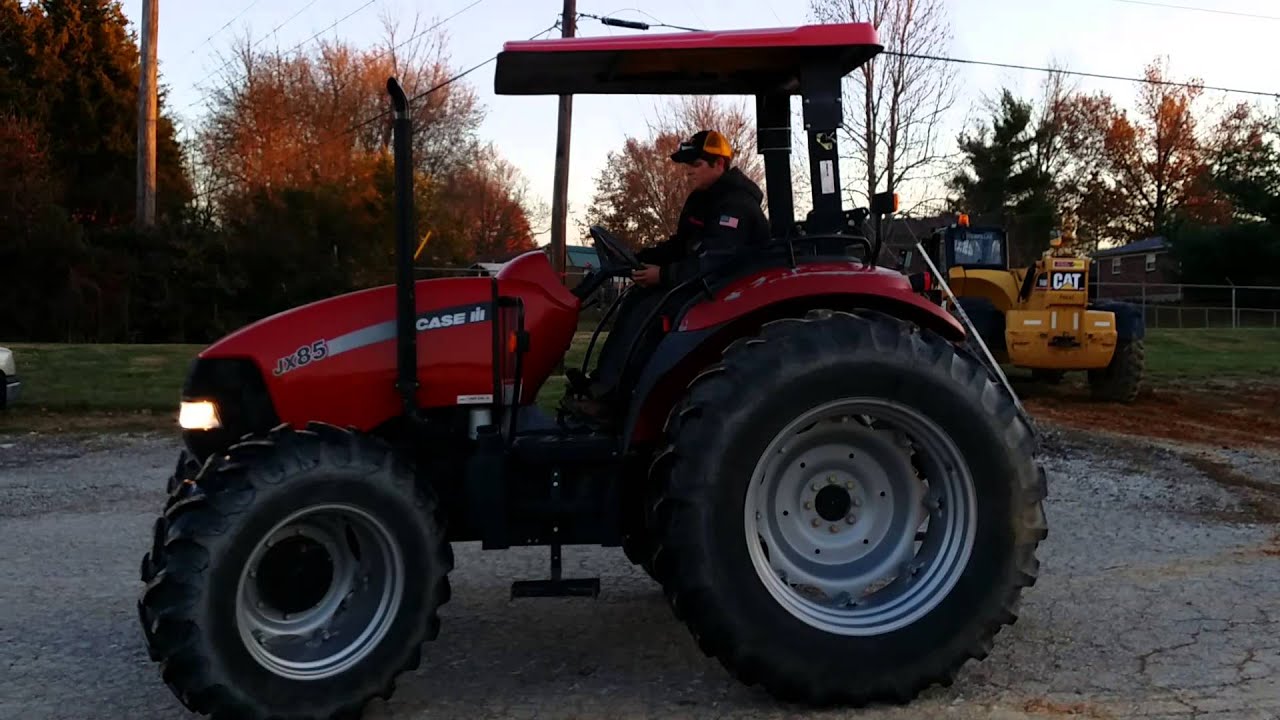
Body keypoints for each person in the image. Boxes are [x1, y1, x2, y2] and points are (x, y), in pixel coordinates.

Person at [564, 129, 771, 425]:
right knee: (636, 297)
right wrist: (644, 257)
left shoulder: (735, 205)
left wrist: (664, 275)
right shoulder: (702, 200)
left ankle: (616, 402)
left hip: (726, 287)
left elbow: (715, 260)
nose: (688, 172)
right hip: (701, 281)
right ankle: (603, 384)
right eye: (687, 166)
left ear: (719, 165)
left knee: (652, 310)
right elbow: (682, 244)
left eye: (696, 165)